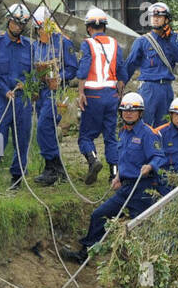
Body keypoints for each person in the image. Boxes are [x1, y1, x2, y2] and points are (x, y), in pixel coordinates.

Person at [66, 92, 167, 262]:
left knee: (139, 227)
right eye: (125, 110)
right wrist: (118, 177)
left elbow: (159, 157)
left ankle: (141, 266)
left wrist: (150, 166)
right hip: (126, 188)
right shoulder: (123, 133)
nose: (128, 113)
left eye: (133, 110)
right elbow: (125, 159)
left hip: (143, 189)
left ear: (140, 113)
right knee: (99, 214)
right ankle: (86, 253)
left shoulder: (148, 133)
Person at [0, 4, 34, 189]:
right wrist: (3, 89)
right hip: (2, 100)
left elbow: (36, 73)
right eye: (15, 23)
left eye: (22, 24)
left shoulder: (29, 47)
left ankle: (17, 176)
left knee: (21, 140)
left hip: (22, 102)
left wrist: (28, 85)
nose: (18, 27)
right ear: (8, 21)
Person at [76, 7, 125, 185]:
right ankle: (114, 173)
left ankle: (93, 160)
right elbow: (121, 69)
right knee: (111, 136)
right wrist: (119, 92)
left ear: (89, 28)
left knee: (86, 136)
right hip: (111, 95)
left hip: (93, 95)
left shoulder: (87, 43)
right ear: (104, 26)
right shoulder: (114, 43)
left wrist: (81, 92)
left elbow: (84, 68)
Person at [29, 5, 77, 187]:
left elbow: (73, 68)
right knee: (45, 128)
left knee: (43, 127)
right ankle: (57, 168)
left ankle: (51, 167)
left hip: (56, 93)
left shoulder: (63, 43)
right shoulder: (35, 46)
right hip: (41, 93)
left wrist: (59, 77)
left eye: (43, 27)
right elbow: (32, 69)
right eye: (38, 28)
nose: (41, 31)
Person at [123, 1, 178, 127]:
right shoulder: (142, 41)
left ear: (167, 19)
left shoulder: (175, 38)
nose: (156, 20)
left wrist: (169, 39)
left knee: (164, 126)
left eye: (159, 17)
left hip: (166, 88)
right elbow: (129, 65)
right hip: (149, 88)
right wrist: (119, 86)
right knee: (144, 125)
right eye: (153, 17)